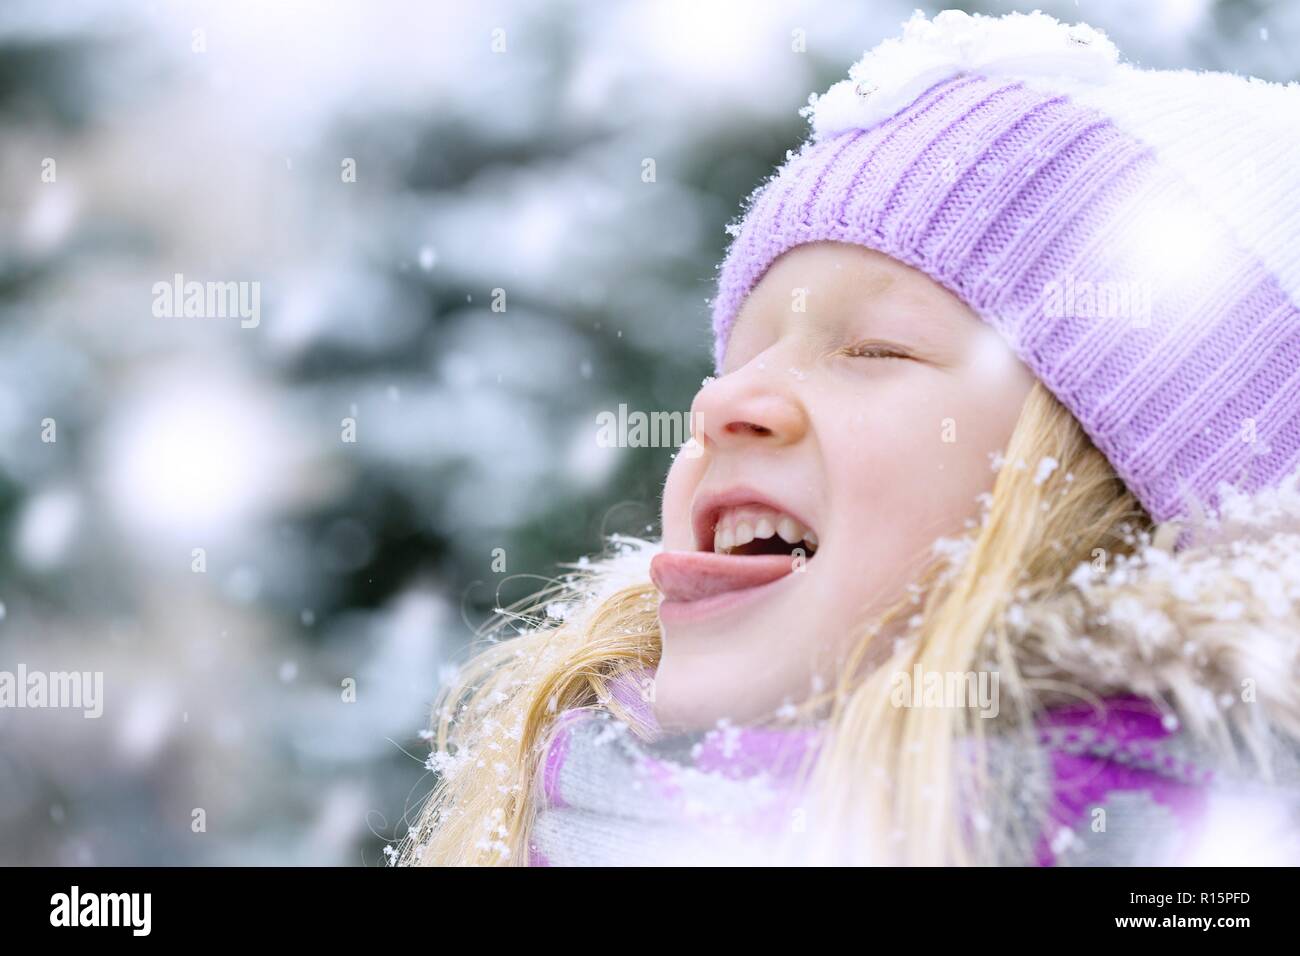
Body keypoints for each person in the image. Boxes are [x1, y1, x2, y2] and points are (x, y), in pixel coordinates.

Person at [399, 9, 1300, 866]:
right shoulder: (569, 823)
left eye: (874, 348)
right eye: (736, 359)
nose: (723, 406)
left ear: (1118, 505)